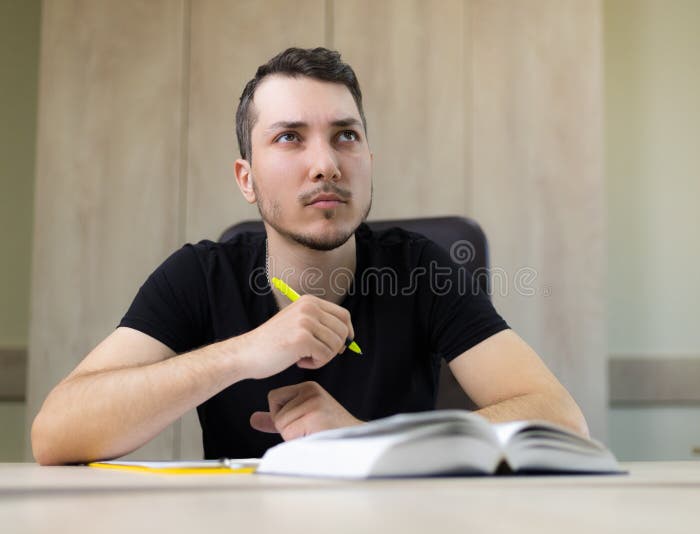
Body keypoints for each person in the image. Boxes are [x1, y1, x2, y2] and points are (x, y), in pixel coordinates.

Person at [31, 47, 588, 465]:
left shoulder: (421, 270)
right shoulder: (199, 276)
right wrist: (243, 353)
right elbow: (55, 433)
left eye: (345, 136)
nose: (326, 164)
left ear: (369, 160)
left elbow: (559, 418)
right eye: (289, 138)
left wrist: (364, 439)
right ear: (246, 179)